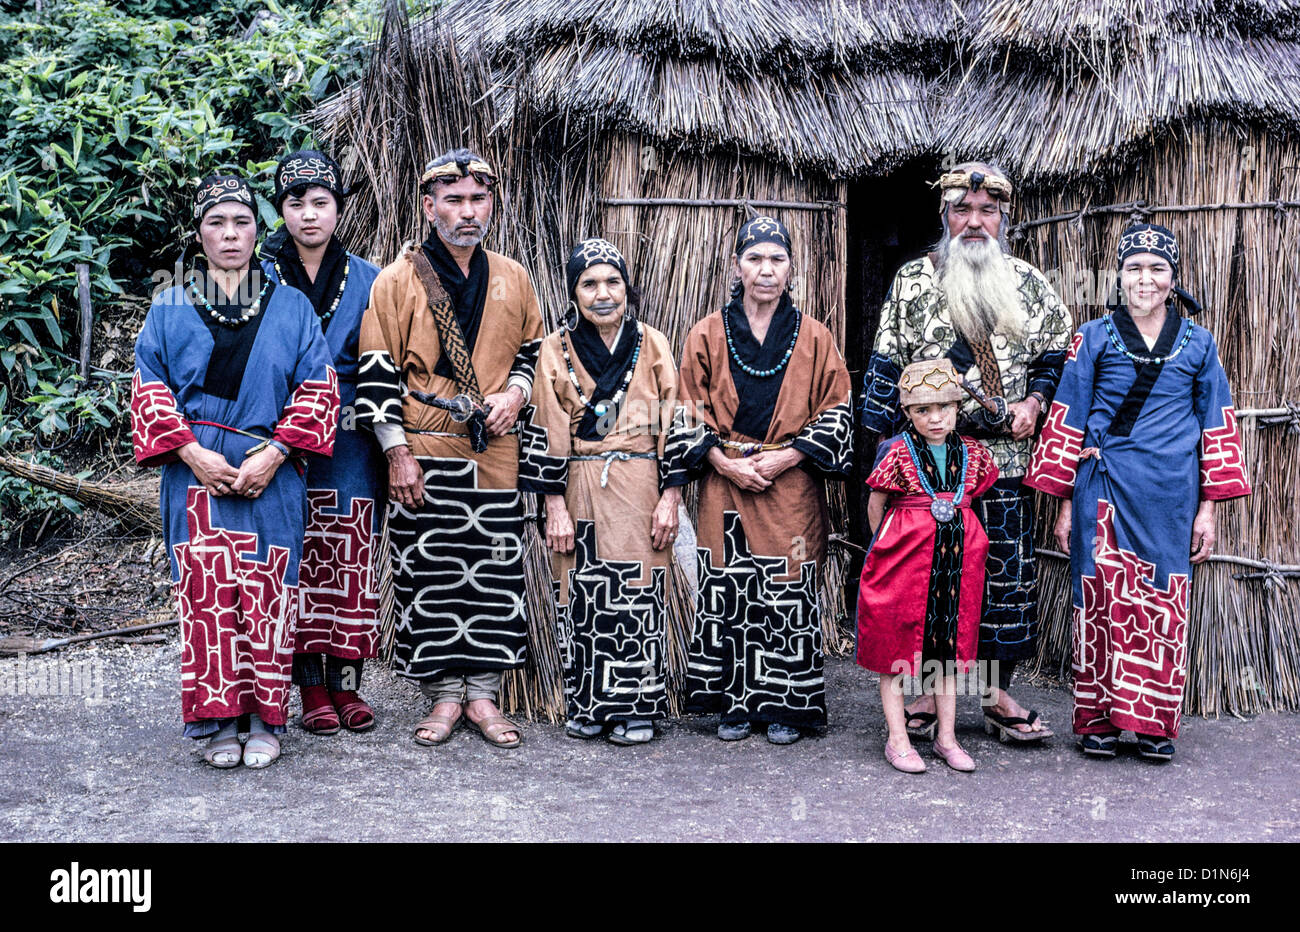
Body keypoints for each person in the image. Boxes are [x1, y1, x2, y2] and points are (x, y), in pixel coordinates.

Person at [860, 162, 1072, 743]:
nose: (974, 222)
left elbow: (1057, 353)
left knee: (1001, 582)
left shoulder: (1029, 281)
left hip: (1002, 463)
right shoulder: (911, 281)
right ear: (945, 216)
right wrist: (882, 459)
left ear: (1004, 218)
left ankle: (996, 696)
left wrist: (1034, 401)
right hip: (927, 473)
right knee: (931, 583)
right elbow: (883, 366)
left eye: (987, 211)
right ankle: (928, 691)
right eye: (962, 210)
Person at [131, 174, 338, 769]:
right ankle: (218, 719)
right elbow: (148, 387)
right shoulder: (169, 306)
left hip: (270, 475)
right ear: (199, 234)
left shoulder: (292, 306)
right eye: (217, 223)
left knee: (269, 594)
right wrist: (192, 453)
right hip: (193, 477)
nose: (230, 235)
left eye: (242, 222)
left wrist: (275, 453)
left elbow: (319, 387)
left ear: (257, 230)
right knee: (206, 596)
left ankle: (265, 718)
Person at [1025, 222, 1251, 761]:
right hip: (1102, 491)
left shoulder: (1199, 344)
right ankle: (1098, 720)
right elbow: (1067, 418)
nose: (1145, 280)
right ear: (1119, 275)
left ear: (1173, 280)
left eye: (1157, 269)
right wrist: (1062, 505)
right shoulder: (1093, 337)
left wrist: (1209, 510)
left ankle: (1154, 725)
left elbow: (1217, 422)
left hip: (1171, 498)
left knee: (1162, 601)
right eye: (1134, 268)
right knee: (1098, 600)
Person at [356, 148, 543, 749]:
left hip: (494, 446)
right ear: (430, 204)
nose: (468, 212)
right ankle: (442, 697)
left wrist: (516, 391)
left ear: (492, 202)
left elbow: (534, 353)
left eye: (478, 199)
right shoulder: (396, 280)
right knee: (430, 574)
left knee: (491, 573)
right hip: (425, 446)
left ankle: (483, 696)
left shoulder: (514, 277)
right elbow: (377, 369)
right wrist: (395, 451)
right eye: (455, 200)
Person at [666, 215, 854, 745]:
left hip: (788, 484)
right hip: (725, 482)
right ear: (737, 266)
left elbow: (839, 409)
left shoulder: (816, 336)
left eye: (776, 259)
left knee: (787, 590)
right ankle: (734, 704)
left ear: (791, 269)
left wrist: (785, 457)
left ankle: (787, 706)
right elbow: (684, 411)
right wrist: (724, 463)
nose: (765, 270)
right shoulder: (705, 333)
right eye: (755, 259)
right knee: (728, 591)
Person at [519, 238, 682, 744]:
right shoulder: (554, 348)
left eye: (612, 281)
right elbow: (546, 428)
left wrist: (671, 497)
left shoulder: (652, 342)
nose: (602, 293)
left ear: (627, 288)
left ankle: (636, 707)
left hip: (640, 481)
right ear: (573, 292)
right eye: (589, 284)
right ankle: (588, 703)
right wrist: (554, 507)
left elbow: (676, 422)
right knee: (581, 595)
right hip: (579, 482)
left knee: (638, 594)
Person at [261, 149, 385, 736]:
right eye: (295, 203)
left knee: (350, 556)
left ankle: (347, 682)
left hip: (352, 438)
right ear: (279, 210)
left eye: (321, 203)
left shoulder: (371, 279)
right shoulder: (258, 277)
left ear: (338, 209)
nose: (309, 215)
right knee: (294, 555)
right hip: (278, 437)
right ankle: (307, 685)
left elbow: (388, 366)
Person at [856, 359, 999, 772]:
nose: (935, 418)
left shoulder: (973, 453)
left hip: (957, 564)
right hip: (905, 562)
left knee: (948, 651)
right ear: (908, 414)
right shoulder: (898, 452)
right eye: (922, 410)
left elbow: (979, 496)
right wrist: (886, 546)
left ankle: (947, 738)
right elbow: (876, 505)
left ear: (958, 408)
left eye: (945, 408)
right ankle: (898, 739)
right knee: (895, 645)